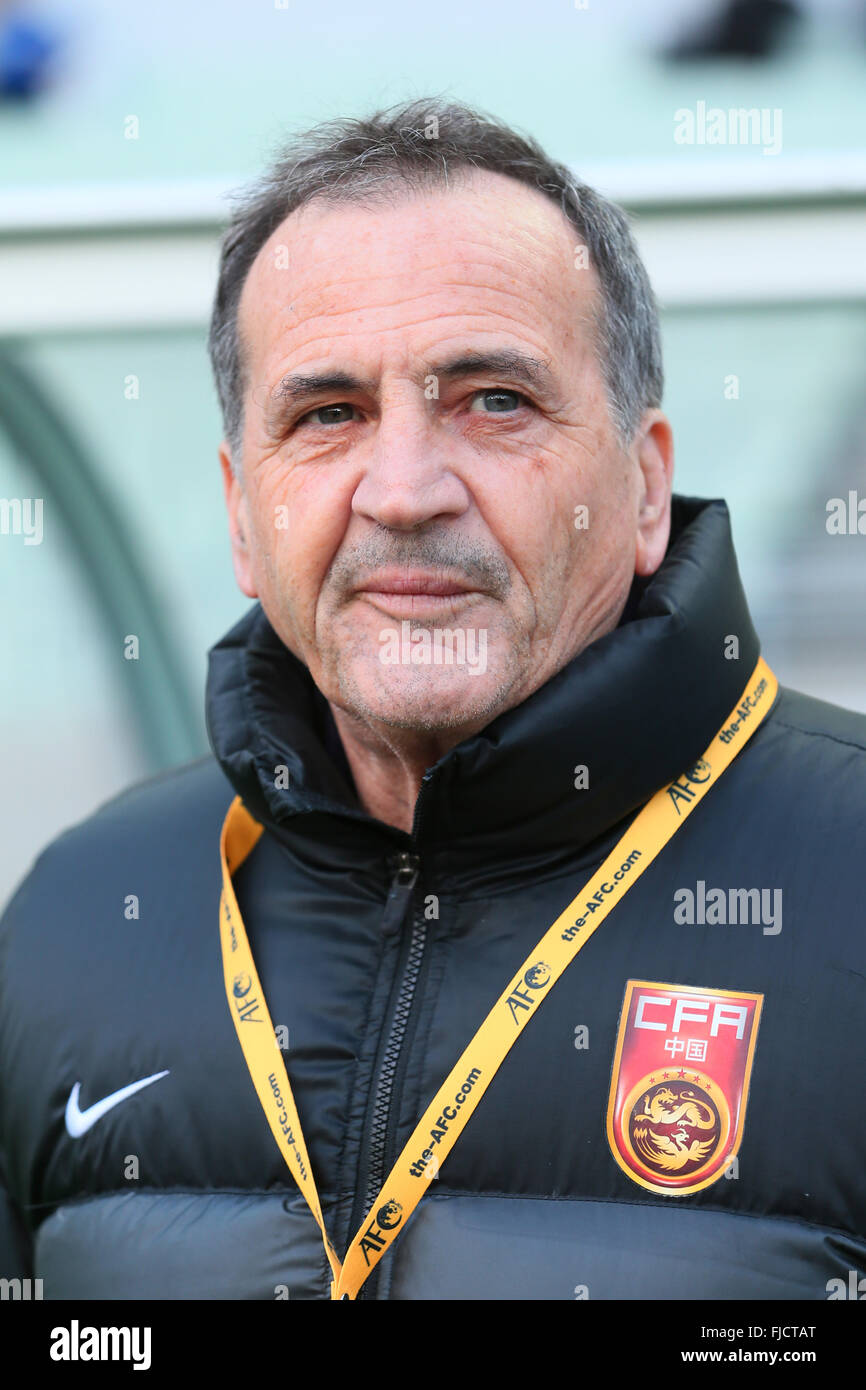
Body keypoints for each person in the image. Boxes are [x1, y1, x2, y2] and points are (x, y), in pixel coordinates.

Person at [1, 97, 864, 1301]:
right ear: (242, 513)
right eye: (329, 415)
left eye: (492, 401)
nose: (401, 491)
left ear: (642, 484)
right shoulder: (79, 914)